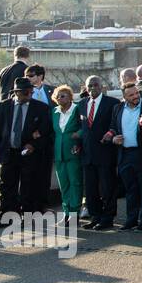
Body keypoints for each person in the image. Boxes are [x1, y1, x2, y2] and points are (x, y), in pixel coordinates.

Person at [78, 75, 120, 230]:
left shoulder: (112, 103)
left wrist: (110, 134)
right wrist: (78, 144)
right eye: (89, 86)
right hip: (87, 153)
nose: (92, 88)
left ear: (102, 87)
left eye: (95, 85)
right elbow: (81, 128)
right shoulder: (82, 104)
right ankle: (95, 216)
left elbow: (115, 124)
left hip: (105, 152)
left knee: (107, 187)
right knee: (90, 188)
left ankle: (108, 218)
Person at [108, 82, 142, 230]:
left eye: (137, 93)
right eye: (131, 95)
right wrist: (113, 138)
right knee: (130, 189)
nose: (135, 96)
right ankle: (131, 219)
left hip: (141, 153)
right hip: (124, 153)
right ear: (124, 97)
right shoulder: (118, 108)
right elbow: (113, 127)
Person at [50, 85, 84, 225]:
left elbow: (85, 126)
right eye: (57, 96)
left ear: (70, 97)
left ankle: (75, 213)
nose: (59, 98)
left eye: (63, 96)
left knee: (75, 182)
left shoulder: (77, 109)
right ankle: (66, 211)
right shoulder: (55, 111)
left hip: (73, 150)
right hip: (59, 153)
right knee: (64, 184)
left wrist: (79, 135)